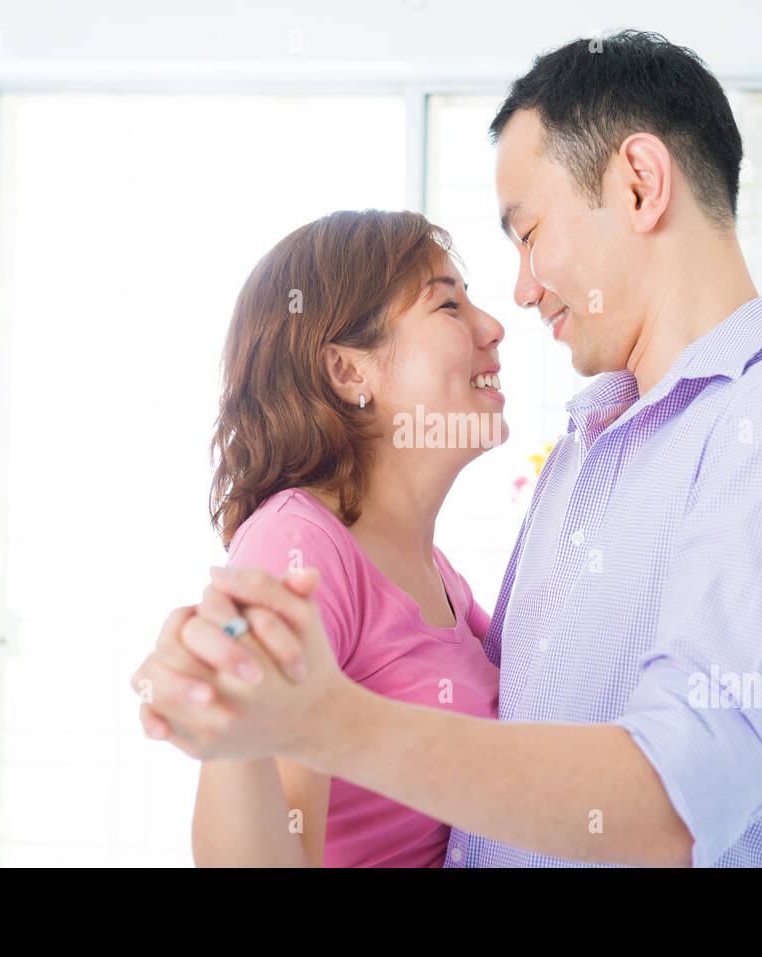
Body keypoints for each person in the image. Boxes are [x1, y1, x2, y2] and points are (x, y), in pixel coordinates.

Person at [132, 30, 762, 867]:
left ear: (641, 184)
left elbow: (677, 802)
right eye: (453, 297)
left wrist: (328, 721)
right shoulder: (590, 447)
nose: (518, 291)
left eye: (529, 229)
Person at [175, 209, 507, 866]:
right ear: (350, 373)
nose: (491, 328)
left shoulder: (435, 570)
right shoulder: (299, 547)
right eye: (448, 306)